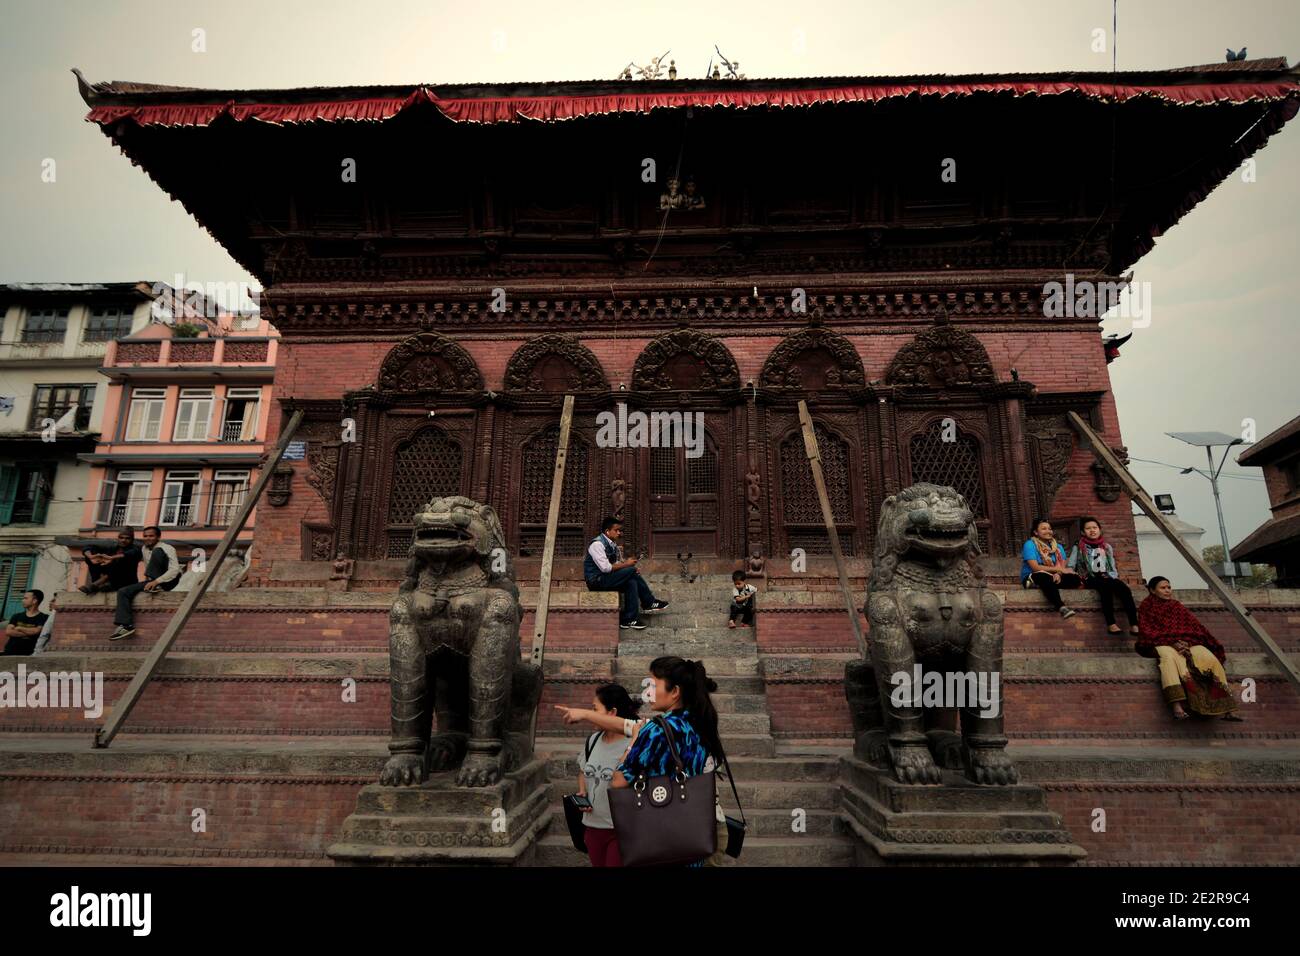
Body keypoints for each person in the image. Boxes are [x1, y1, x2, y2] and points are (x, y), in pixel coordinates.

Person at [610, 656, 730, 867]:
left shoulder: (655, 730)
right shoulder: (699, 722)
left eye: (653, 685)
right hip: (698, 834)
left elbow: (619, 781)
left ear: (675, 691)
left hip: (664, 838)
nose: (649, 692)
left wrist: (634, 742)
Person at [1136, 576, 1241, 721]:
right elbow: (1148, 632)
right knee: (1169, 657)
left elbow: (1196, 629)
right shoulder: (1146, 607)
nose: (1167, 591)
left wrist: (1187, 643)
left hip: (1187, 643)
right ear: (1153, 591)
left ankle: (1228, 709)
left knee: (1209, 657)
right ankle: (1176, 705)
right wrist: (1173, 642)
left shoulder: (1176, 606)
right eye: (1163, 588)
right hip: (1159, 644)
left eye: (1169, 587)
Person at [574, 684, 642, 867]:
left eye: (595, 709)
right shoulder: (593, 740)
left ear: (612, 712)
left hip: (621, 829)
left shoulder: (634, 744)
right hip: (592, 827)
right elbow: (583, 770)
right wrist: (583, 792)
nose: (592, 714)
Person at [583, 516, 669, 630]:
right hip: (596, 581)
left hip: (607, 579)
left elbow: (617, 564)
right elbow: (605, 568)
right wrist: (628, 566)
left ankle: (630, 619)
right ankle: (648, 602)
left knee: (631, 582)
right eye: (616, 530)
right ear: (607, 531)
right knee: (631, 570)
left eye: (620, 530)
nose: (619, 533)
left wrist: (627, 569)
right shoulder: (597, 544)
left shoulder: (614, 546)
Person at [1067, 517, 1139, 635]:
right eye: (1088, 528)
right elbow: (1071, 565)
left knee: (1124, 588)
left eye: (1095, 528)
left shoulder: (1106, 547)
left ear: (1099, 530)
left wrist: (1110, 576)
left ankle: (1134, 624)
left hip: (1106, 576)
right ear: (1082, 532)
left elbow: (1112, 567)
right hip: (1088, 577)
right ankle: (1111, 624)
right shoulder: (1078, 547)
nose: (1092, 530)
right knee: (1105, 588)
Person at [109, 526, 182, 641]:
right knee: (123, 591)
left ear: (158, 537)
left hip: (169, 580)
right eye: (145, 536)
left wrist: (157, 581)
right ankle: (126, 626)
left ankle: (155, 584)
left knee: (157, 552)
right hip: (153, 581)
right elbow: (149, 566)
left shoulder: (167, 548)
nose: (148, 538)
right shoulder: (144, 549)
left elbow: (174, 570)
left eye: (151, 536)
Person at [1020, 517, 1081, 619]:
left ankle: (1041, 585)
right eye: (1044, 529)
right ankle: (1061, 607)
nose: (1048, 531)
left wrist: (1059, 574)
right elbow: (1035, 567)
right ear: (1035, 532)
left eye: (1049, 528)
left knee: (1075, 579)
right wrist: (1059, 570)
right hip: (1034, 574)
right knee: (1044, 576)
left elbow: (1062, 566)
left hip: (1053, 575)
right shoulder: (1030, 544)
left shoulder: (1058, 547)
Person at [80, 529, 141, 594]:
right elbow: (89, 547)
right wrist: (90, 556)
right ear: (118, 538)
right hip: (110, 578)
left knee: (121, 561)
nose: (123, 540)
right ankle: (99, 584)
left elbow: (129, 554)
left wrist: (112, 558)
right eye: (121, 538)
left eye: (127, 538)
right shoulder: (113, 547)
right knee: (92, 556)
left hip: (125, 581)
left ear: (132, 540)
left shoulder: (136, 549)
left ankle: (95, 585)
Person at [3, 589, 48, 656]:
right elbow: (8, 632)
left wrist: (19, 628)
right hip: (10, 652)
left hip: (27, 654)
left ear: (34, 601)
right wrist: (30, 633)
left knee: (21, 667)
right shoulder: (16, 616)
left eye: (25, 598)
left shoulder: (43, 617)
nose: (22, 600)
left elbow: (36, 631)